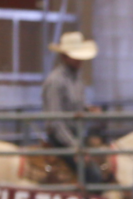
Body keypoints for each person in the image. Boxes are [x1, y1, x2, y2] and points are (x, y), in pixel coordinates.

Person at [42, 31, 99, 178]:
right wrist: (74, 146)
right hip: (61, 139)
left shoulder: (76, 79)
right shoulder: (55, 81)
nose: (80, 60)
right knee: (92, 175)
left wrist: (87, 108)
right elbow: (56, 121)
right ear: (64, 56)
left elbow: (73, 104)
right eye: (75, 56)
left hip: (76, 134)